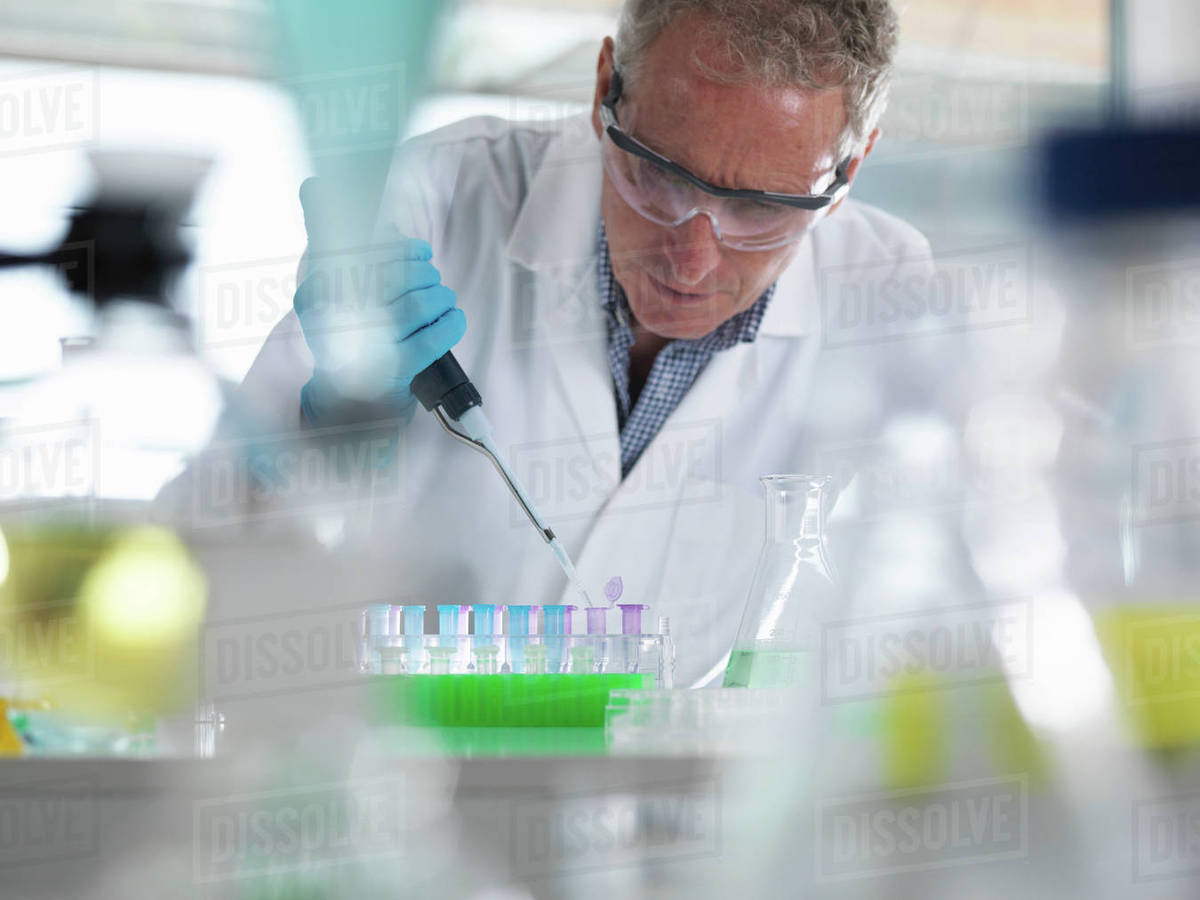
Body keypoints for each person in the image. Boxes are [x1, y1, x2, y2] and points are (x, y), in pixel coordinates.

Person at [205, 0, 937, 687]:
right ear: (603, 90)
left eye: (759, 208)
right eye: (660, 174)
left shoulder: (886, 295)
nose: (692, 261)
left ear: (850, 170)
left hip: (677, 804)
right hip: (405, 779)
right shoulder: (433, 200)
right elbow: (212, 559)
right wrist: (333, 417)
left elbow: (907, 614)